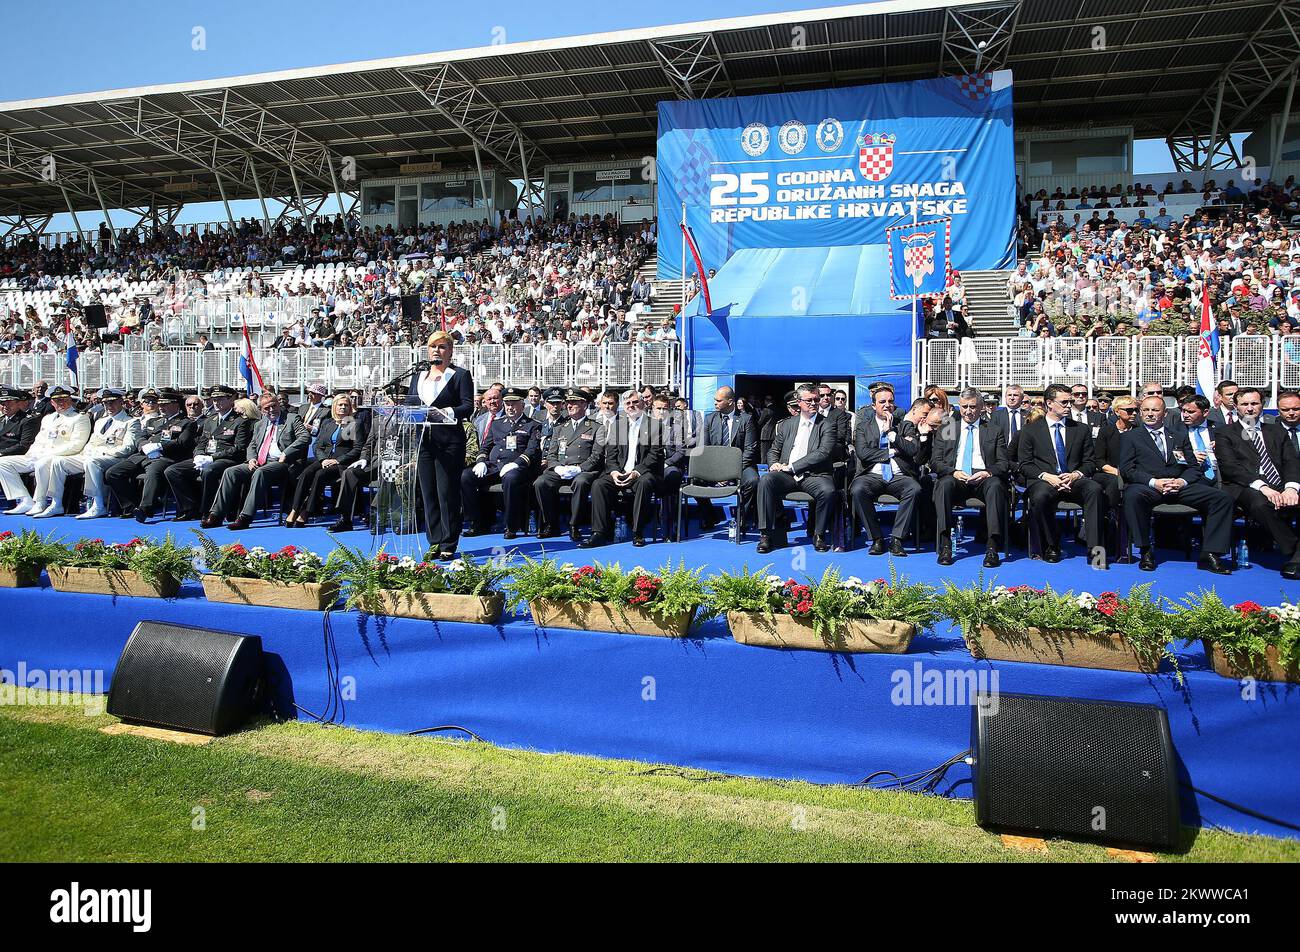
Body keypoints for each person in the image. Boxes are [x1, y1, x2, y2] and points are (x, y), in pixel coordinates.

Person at [1118, 395, 1233, 574]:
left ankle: (1211, 554)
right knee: (1132, 496)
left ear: (1165, 413)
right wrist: (1154, 482)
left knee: (1222, 498)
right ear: (1140, 413)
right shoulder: (1130, 437)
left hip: (1178, 485)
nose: (1150, 414)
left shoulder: (1179, 435)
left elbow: (1193, 467)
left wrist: (1181, 482)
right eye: (1146, 410)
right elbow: (1127, 469)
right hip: (1149, 486)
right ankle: (1145, 550)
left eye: (1155, 410)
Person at [1214, 387, 1300, 578]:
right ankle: (1295, 551)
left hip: (1280, 483)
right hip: (1245, 485)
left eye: (1254, 403)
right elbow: (1230, 468)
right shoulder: (1225, 433)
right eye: (1245, 404)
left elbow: (1291, 462)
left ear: (1263, 405)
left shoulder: (1277, 431)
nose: (1250, 408)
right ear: (1236, 406)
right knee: (1261, 504)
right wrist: (1263, 487)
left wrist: (1291, 488)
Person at [1016, 384, 1105, 564]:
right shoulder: (1030, 430)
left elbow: (1090, 462)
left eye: (1070, 401)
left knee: (1094, 489)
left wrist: (1075, 475)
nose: (1069, 405)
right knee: (1039, 496)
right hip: (1045, 480)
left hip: (1073, 480)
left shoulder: (1081, 429)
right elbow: (1025, 465)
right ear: (1049, 403)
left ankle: (1095, 549)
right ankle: (1052, 544)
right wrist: (1047, 477)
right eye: (1064, 402)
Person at [407, 330, 475, 559]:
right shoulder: (418, 376)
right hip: (424, 442)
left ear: (450, 351)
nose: (437, 350)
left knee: (446, 493)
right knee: (428, 494)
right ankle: (434, 541)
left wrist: (444, 412)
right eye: (433, 346)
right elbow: (411, 403)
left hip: (449, 442)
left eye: (442, 346)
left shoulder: (459, 375)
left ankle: (448, 542)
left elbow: (467, 406)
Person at [205, 389, 310, 530]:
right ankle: (216, 515)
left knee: (260, 473)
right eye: (267, 408)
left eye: (274, 405)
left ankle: (245, 517)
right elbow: (252, 445)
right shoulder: (260, 424)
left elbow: (305, 437)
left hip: (282, 463)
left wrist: (287, 452)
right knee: (230, 472)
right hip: (260, 461)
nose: (272, 410)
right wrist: (251, 459)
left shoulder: (292, 418)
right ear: (261, 410)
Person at [929, 388, 1009, 567]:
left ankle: (992, 547)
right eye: (964, 407)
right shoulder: (949, 427)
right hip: (957, 477)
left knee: (996, 486)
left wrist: (988, 472)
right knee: (944, 485)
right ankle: (945, 545)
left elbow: (1004, 463)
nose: (968, 411)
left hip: (983, 477)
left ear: (981, 407)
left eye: (972, 407)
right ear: (959, 406)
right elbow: (935, 462)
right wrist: (953, 472)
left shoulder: (993, 430)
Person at [756, 385, 838, 554]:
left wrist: (792, 467)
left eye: (816, 399)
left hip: (814, 475)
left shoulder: (827, 425)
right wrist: (773, 464)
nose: (814, 403)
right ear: (799, 402)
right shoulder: (787, 424)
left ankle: (819, 535)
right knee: (766, 481)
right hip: (787, 475)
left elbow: (823, 453)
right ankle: (766, 535)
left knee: (828, 490)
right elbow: (774, 450)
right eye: (809, 400)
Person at [580, 389, 664, 548]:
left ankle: (638, 532)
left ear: (643, 403)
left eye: (635, 402)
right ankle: (599, 533)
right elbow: (611, 455)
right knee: (599, 484)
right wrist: (613, 471)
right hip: (621, 472)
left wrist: (636, 472)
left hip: (643, 472)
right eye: (628, 403)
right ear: (624, 406)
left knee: (644, 483)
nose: (631, 405)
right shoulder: (617, 426)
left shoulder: (655, 425)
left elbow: (654, 456)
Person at [850, 384, 927, 555]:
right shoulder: (864, 426)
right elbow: (863, 453)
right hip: (872, 474)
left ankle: (897, 539)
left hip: (899, 475)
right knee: (857, 490)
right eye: (882, 402)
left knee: (914, 489)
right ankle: (876, 538)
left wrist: (892, 433)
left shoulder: (904, 425)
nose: (887, 405)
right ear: (873, 406)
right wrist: (893, 451)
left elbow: (912, 449)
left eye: (890, 401)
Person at [40, 389, 140, 519]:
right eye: (106, 403)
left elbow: (127, 448)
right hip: (94, 456)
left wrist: (102, 451)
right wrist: (89, 451)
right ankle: (56, 503)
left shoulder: (130, 422)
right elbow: (91, 443)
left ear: (121, 402)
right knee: (58, 461)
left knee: (92, 462)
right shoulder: (100, 421)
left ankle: (98, 504)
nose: (109, 406)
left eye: (113, 402)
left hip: (115, 458)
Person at [161, 384, 254, 522]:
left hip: (226, 458)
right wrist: (198, 454)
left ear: (230, 400)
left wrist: (212, 458)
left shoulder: (241, 421)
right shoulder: (210, 420)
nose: (216, 402)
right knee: (172, 471)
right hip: (206, 457)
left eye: (220, 399)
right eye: (214, 399)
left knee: (209, 471)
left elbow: (239, 448)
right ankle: (190, 508)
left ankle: (208, 511)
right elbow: (202, 442)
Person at [462, 387, 541, 539]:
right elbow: (485, 447)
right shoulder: (497, 424)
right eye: (507, 404)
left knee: (511, 478)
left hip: (517, 467)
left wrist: (517, 463)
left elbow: (532, 450)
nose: (510, 407)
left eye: (513, 404)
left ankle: (511, 526)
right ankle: (477, 523)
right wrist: (481, 461)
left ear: (522, 405)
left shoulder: (532, 425)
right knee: (466, 477)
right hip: (494, 466)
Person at [106, 389, 197, 519]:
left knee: (153, 472)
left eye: (165, 404)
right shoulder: (154, 421)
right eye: (160, 404)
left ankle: (145, 508)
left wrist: (159, 447)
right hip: (143, 455)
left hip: (164, 457)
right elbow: (140, 437)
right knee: (113, 473)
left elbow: (182, 442)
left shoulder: (187, 423)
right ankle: (130, 506)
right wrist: (144, 447)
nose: (161, 407)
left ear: (176, 405)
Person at [0, 386, 91, 514]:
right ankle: (25, 500)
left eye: (64, 399)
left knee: (41, 463)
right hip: (39, 455)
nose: (61, 403)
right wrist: (32, 453)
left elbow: (76, 445)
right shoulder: (48, 418)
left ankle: (40, 502)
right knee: (3, 463)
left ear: (70, 400)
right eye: (57, 400)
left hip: (61, 457)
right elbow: (39, 440)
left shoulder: (79, 418)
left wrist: (48, 453)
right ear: (52, 402)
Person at [283, 393, 366, 528]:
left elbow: (357, 449)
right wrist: (322, 460)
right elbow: (317, 445)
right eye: (340, 405)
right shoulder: (328, 423)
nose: (343, 407)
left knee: (320, 475)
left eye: (346, 405)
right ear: (334, 407)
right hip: (325, 459)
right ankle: (294, 509)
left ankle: (306, 512)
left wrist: (338, 461)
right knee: (306, 473)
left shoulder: (353, 424)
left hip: (342, 463)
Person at [533, 389, 602, 541]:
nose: (569, 406)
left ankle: (574, 524)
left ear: (584, 405)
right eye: (568, 402)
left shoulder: (596, 427)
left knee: (580, 482)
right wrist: (557, 467)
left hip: (582, 469)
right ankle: (551, 524)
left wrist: (579, 469)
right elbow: (551, 454)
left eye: (574, 402)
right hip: (562, 468)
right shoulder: (560, 428)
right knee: (541, 483)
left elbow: (597, 455)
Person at [692, 385, 759, 533]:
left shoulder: (746, 419)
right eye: (715, 400)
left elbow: (750, 450)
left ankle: (742, 518)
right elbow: (704, 449)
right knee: (695, 480)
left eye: (718, 400)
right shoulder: (709, 419)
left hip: (741, 465)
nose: (715, 403)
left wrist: (731, 472)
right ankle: (710, 516)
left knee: (753, 480)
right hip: (715, 466)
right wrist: (718, 472)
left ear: (730, 402)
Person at [0, 386, 41, 458]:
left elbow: (24, 445)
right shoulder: (1, 420)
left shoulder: (28, 420)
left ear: (18, 404)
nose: (5, 407)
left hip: (15, 456)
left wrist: (2, 452)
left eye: (9, 403)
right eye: (2, 404)